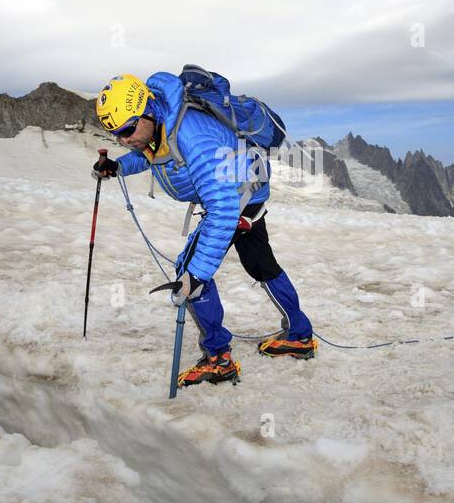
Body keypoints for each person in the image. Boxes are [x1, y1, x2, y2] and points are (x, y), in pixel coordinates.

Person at [91, 72, 317, 387]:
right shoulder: (160, 121)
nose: (124, 140)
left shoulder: (193, 137)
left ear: (148, 110)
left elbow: (223, 210)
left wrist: (196, 275)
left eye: (127, 130)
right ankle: (299, 335)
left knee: (190, 273)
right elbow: (154, 155)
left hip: (236, 198)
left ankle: (218, 360)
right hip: (248, 190)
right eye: (116, 134)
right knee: (260, 264)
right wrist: (119, 166)